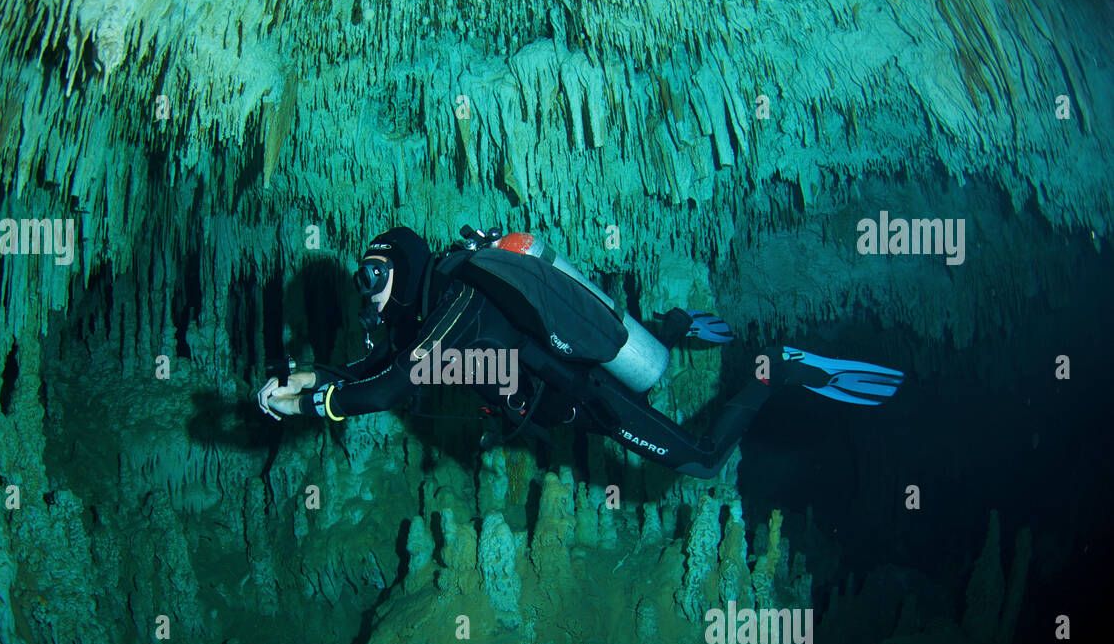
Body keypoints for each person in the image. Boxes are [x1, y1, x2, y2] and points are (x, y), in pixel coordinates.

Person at [257, 227, 903, 479]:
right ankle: (674, 325)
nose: (367, 295)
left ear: (400, 264)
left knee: (702, 461)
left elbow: (387, 387)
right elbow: (375, 369)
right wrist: (303, 377)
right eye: (359, 284)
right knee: (643, 373)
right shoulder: (431, 322)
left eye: (372, 276)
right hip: (565, 401)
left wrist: (321, 401)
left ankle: (777, 368)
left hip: (587, 396)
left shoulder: (457, 301)